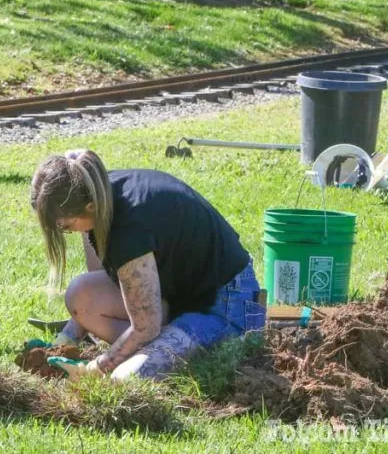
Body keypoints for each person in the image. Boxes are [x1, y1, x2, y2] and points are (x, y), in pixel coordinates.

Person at [29, 150, 266, 381]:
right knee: (80, 295)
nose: (65, 232)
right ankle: (161, 343)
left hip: (226, 305)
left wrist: (97, 367)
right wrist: (66, 341)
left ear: (88, 207)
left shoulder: (128, 232)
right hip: (180, 297)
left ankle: (173, 347)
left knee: (125, 379)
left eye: (65, 226)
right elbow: (112, 284)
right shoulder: (95, 191)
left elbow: (146, 327)